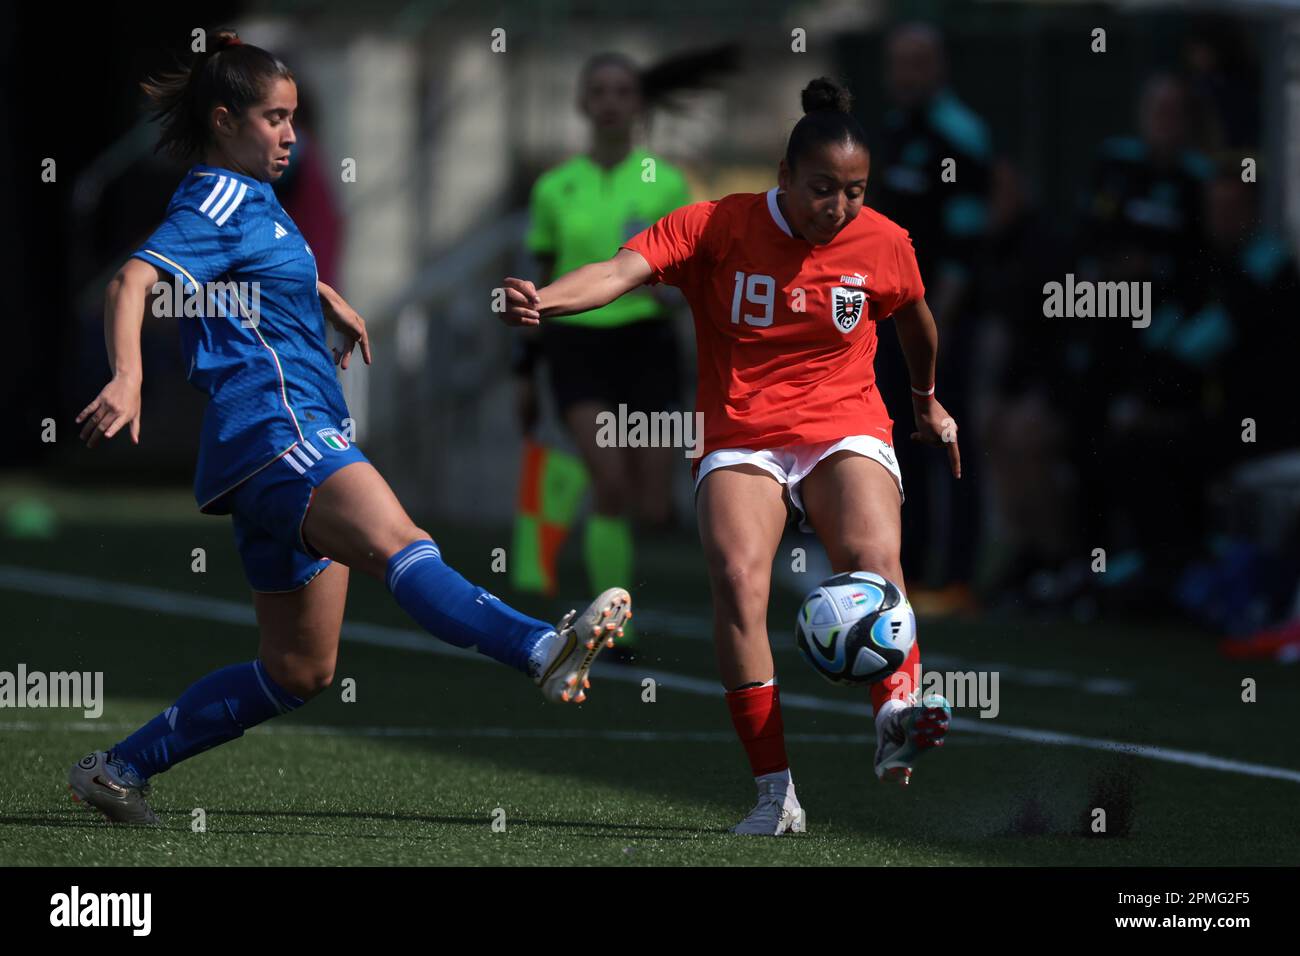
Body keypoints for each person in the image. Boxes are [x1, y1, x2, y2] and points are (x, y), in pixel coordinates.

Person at [68, 31, 630, 826]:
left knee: (298, 669)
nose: (291, 134)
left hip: (262, 457)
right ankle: (541, 648)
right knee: (402, 542)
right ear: (226, 120)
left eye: (294, 116)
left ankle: (118, 769)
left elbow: (245, 275)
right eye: (273, 118)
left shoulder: (254, 201)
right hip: (279, 433)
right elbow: (135, 277)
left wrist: (315, 296)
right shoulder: (219, 195)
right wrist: (128, 375)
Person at [499, 77, 956, 836]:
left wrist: (925, 399)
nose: (838, 208)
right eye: (821, 190)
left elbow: (914, 317)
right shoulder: (715, 226)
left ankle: (895, 718)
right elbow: (619, 272)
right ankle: (776, 794)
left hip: (845, 420)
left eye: (854, 191)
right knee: (738, 580)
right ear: (781, 177)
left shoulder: (881, 240)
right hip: (741, 429)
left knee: (877, 559)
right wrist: (544, 298)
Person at [514, 51, 709, 658]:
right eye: (598, 90)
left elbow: (690, 270)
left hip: (647, 345)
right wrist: (524, 368)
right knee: (613, 481)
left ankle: (561, 493)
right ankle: (614, 628)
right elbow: (537, 283)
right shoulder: (554, 186)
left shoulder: (669, 183)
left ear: (638, 105)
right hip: (578, 345)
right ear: (582, 103)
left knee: (654, 505)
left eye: (622, 91)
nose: (610, 102)